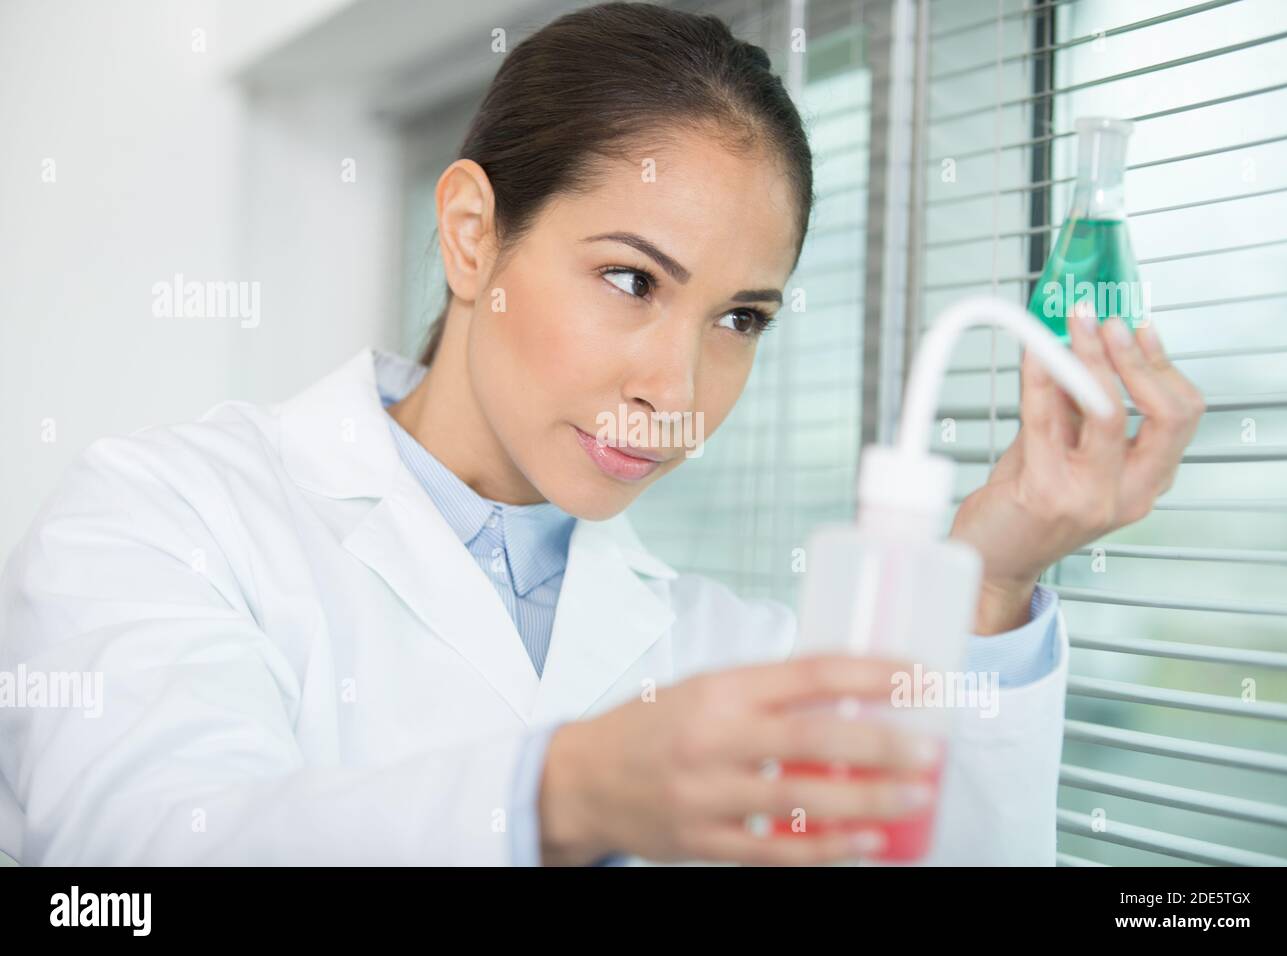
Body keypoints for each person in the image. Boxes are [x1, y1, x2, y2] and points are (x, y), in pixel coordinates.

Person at [0, 2, 1203, 866]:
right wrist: (565, 790)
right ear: (475, 237)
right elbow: (133, 859)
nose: (677, 383)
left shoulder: (725, 644)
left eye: (740, 316)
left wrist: (991, 574)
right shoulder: (168, 518)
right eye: (631, 279)